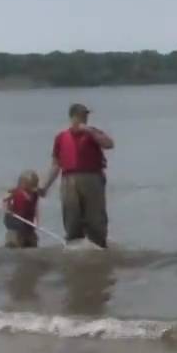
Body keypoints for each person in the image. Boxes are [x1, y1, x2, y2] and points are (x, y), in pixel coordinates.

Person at [40, 103, 114, 248]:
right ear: (72, 117)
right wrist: (45, 186)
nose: (84, 119)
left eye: (85, 116)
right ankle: (73, 246)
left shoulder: (93, 133)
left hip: (92, 178)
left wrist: (90, 132)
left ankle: (99, 246)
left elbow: (109, 144)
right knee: (72, 218)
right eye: (81, 116)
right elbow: (56, 164)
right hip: (69, 179)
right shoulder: (61, 137)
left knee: (95, 219)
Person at [2, 170, 41, 248]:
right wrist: (8, 209)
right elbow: (5, 200)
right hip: (16, 218)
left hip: (28, 219)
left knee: (31, 234)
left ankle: (29, 241)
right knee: (18, 234)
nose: (32, 190)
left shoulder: (34, 194)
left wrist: (37, 221)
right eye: (31, 185)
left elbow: (36, 208)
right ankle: (16, 242)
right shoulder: (16, 192)